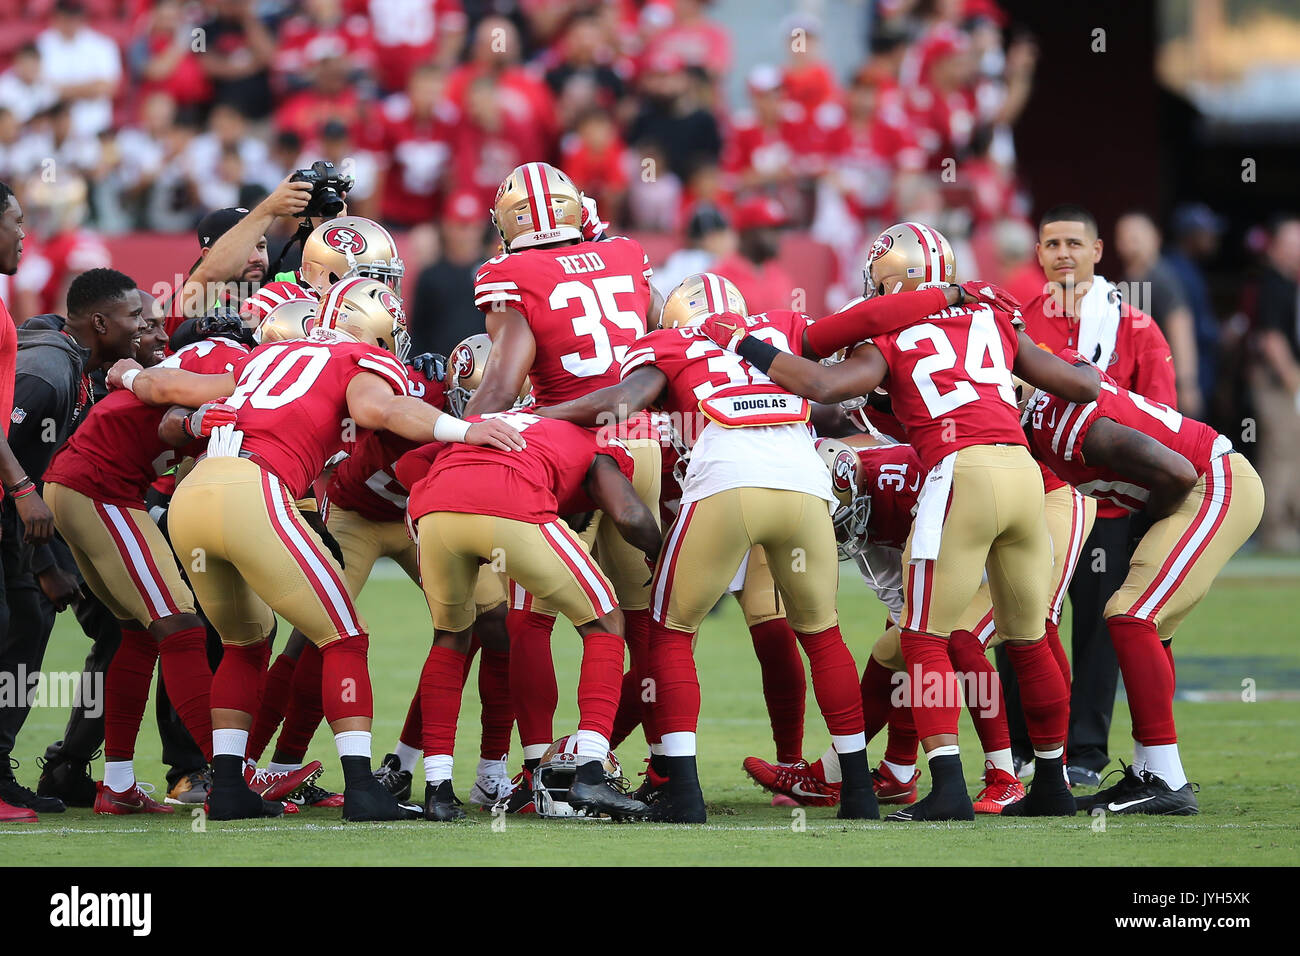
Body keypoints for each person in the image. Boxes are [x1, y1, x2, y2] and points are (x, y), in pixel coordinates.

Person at [695, 223, 1100, 820]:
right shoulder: (990, 317)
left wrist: (744, 345)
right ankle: (1052, 784)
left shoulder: (892, 329)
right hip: (1024, 472)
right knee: (1029, 637)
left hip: (960, 471)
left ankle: (946, 787)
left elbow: (821, 384)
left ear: (890, 280)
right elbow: (1083, 384)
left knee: (922, 637)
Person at [114, 277, 523, 820]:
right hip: (253, 490)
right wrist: (463, 430)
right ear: (374, 331)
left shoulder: (265, 355)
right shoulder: (356, 358)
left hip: (196, 493)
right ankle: (362, 789)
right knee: (345, 638)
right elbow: (385, 412)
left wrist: (127, 373)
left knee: (245, 643)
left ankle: (231, 790)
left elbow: (167, 391)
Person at [1025, 354, 1264, 813]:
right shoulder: (1050, 407)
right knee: (1150, 628)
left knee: (1131, 615)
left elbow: (1178, 471)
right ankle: (1150, 770)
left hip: (1213, 483)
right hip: (1203, 484)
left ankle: (1167, 781)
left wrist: (1145, 523)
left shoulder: (1065, 424)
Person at [401, 413, 659, 820]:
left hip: (434, 512)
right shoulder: (597, 448)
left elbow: (408, 464)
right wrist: (656, 553)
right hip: (511, 505)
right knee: (604, 620)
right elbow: (631, 516)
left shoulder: (487, 420)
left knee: (450, 638)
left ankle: (438, 790)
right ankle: (590, 771)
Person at [1015, 203, 1178, 786]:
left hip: (1108, 504)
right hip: (1034, 498)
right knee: (1022, 619)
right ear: (1038, 253)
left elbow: (1160, 422)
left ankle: (1085, 753)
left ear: (1098, 251)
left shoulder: (1136, 327)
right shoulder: (1013, 324)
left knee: (1100, 626)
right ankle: (1022, 750)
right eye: (1052, 244)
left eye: (1073, 244)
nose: (1063, 253)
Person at [0, 268, 147, 815]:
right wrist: (42, 564)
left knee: (122, 625)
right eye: (134, 318)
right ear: (100, 321)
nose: (141, 329)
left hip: (36, 528)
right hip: (18, 527)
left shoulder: (76, 362)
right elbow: (14, 464)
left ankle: (67, 765)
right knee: (21, 628)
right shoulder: (47, 372)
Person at [1114, 212, 1201, 418]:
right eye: (1124, 236)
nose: (1129, 242)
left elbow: (1180, 326)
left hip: (1162, 380)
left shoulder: (1163, 278)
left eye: (1137, 236)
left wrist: (1187, 383)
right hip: (1137, 381)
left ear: (1156, 238)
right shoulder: (1127, 280)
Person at [1248, 216, 1300, 554]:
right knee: (1280, 454)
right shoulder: (1272, 283)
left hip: (1288, 385)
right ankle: (1274, 530)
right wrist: (1294, 382)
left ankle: (1291, 524)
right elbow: (1271, 340)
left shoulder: (1289, 282)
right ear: (1279, 247)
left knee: (1292, 453)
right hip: (1277, 384)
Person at [410, 192, 487, 356]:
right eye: (460, 226)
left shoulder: (493, 272)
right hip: (439, 368)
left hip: (485, 367)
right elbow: (418, 331)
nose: (466, 234)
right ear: (445, 226)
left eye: (473, 226)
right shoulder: (431, 275)